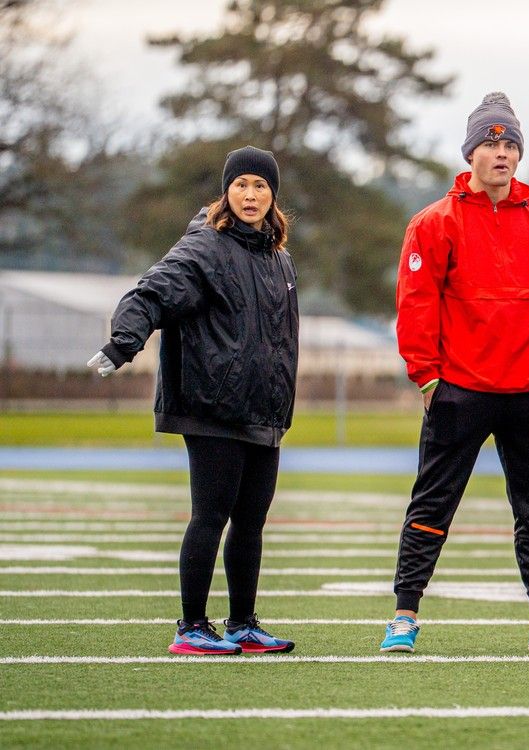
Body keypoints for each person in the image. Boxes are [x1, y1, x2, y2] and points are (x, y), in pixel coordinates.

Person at [381, 92, 529, 654]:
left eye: (510, 143)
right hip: (460, 390)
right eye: (490, 143)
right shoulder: (433, 223)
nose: (501, 152)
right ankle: (404, 615)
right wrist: (426, 376)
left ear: (520, 154)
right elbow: (415, 303)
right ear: (470, 152)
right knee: (432, 503)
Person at [88, 146, 298, 656]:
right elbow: (150, 294)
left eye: (261, 186)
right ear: (227, 191)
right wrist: (124, 341)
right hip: (212, 407)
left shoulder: (278, 257)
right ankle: (192, 628)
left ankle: (243, 623)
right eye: (242, 184)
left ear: (273, 196)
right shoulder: (205, 247)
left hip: (262, 411)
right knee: (210, 516)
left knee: (251, 520)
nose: (251, 195)